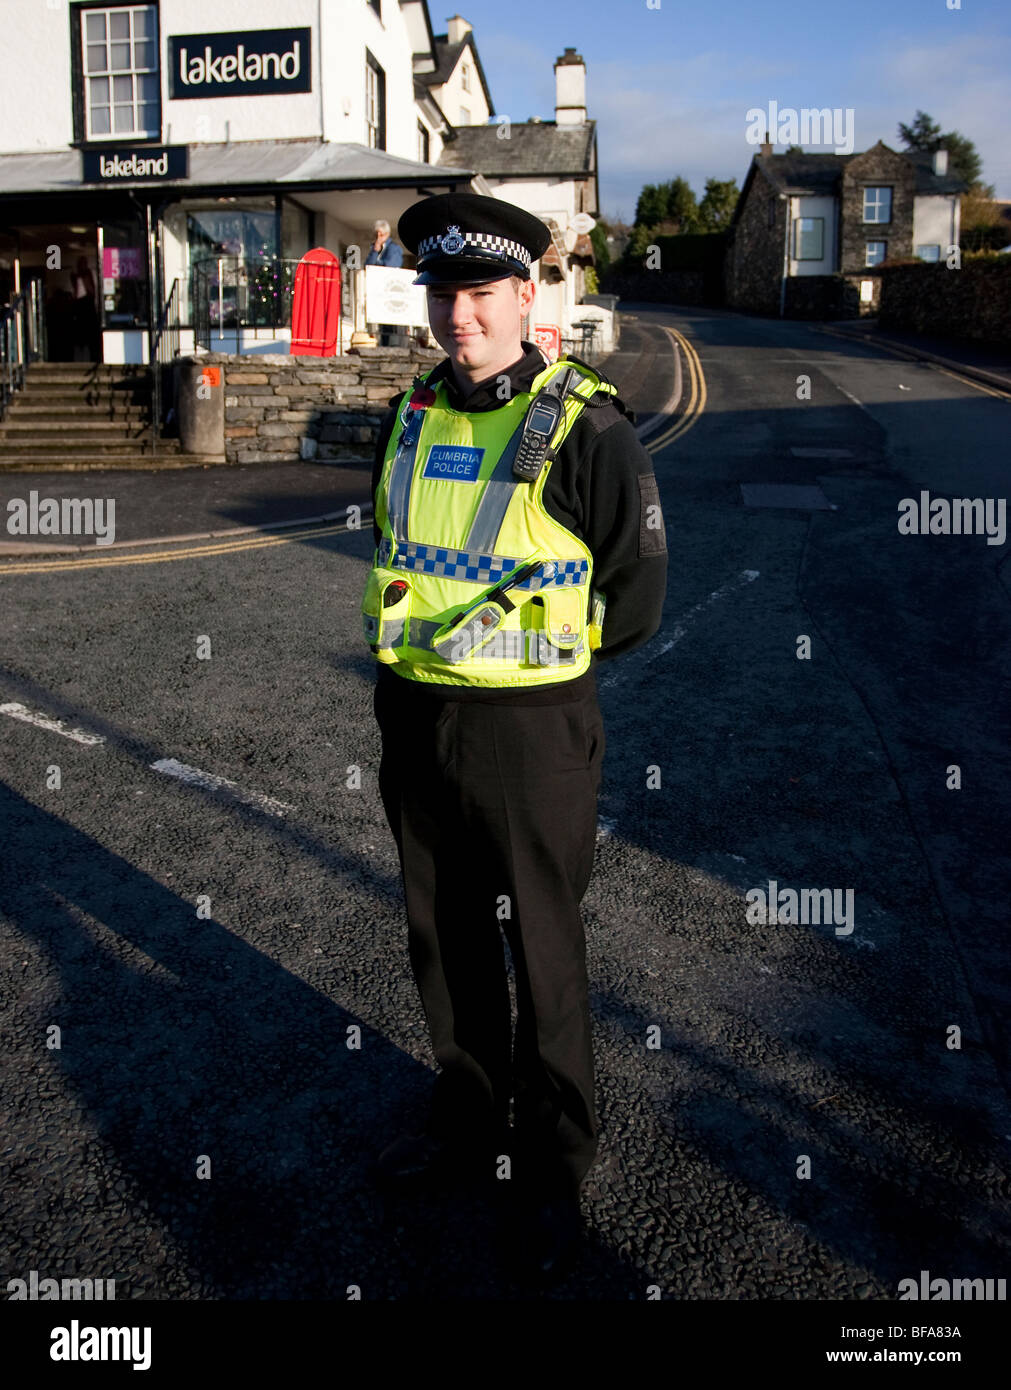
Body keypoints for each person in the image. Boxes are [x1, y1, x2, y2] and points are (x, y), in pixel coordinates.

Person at [364, 192, 668, 1281]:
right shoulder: (408, 415)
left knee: (541, 945)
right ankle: (467, 1113)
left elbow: (634, 596)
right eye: (444, 295)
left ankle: (551, 1160)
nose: (459, 318)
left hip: (531, 733)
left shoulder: (588, 425)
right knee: (442, 934)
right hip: (414, 717)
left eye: (481, 294)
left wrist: (534, 664)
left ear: (525, 296)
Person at [365, 219, 404, 346]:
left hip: (391, 291)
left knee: (390, 322)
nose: (378, 237)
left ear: (387, 234)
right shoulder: (375, 248)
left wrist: (377, 262)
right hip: (378, 290)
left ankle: (391, 345)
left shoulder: (394, 249)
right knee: (380, 322)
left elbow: (391, 266)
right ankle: (382, 343)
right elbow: (367, 265)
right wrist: (375, 251)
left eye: (380, 234)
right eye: (376, 234)